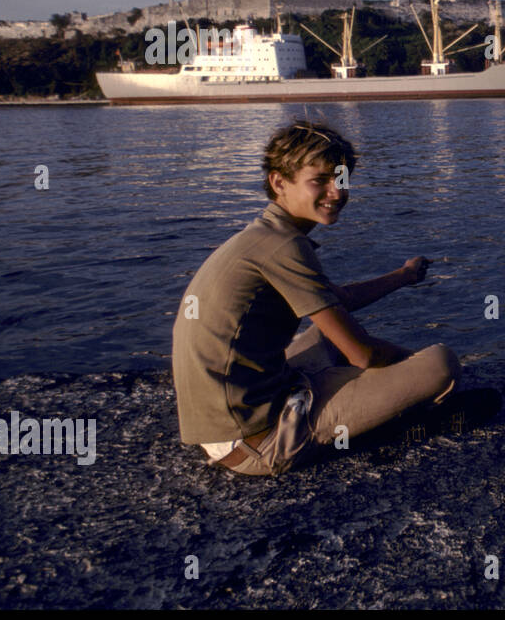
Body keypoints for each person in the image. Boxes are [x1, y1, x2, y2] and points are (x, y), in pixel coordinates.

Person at [172, 119, 471, 476]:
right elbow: (363, 354)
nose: (337, 192)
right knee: (440, 363)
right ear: (279, 182)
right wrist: (410, 364)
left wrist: (403, 276)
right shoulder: (284, 247)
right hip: (262, 442)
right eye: (321, 180)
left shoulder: (263, 236)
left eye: (342, 179)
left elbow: (333, 299)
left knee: (319, 336)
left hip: (224, 430)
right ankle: (409, 421)